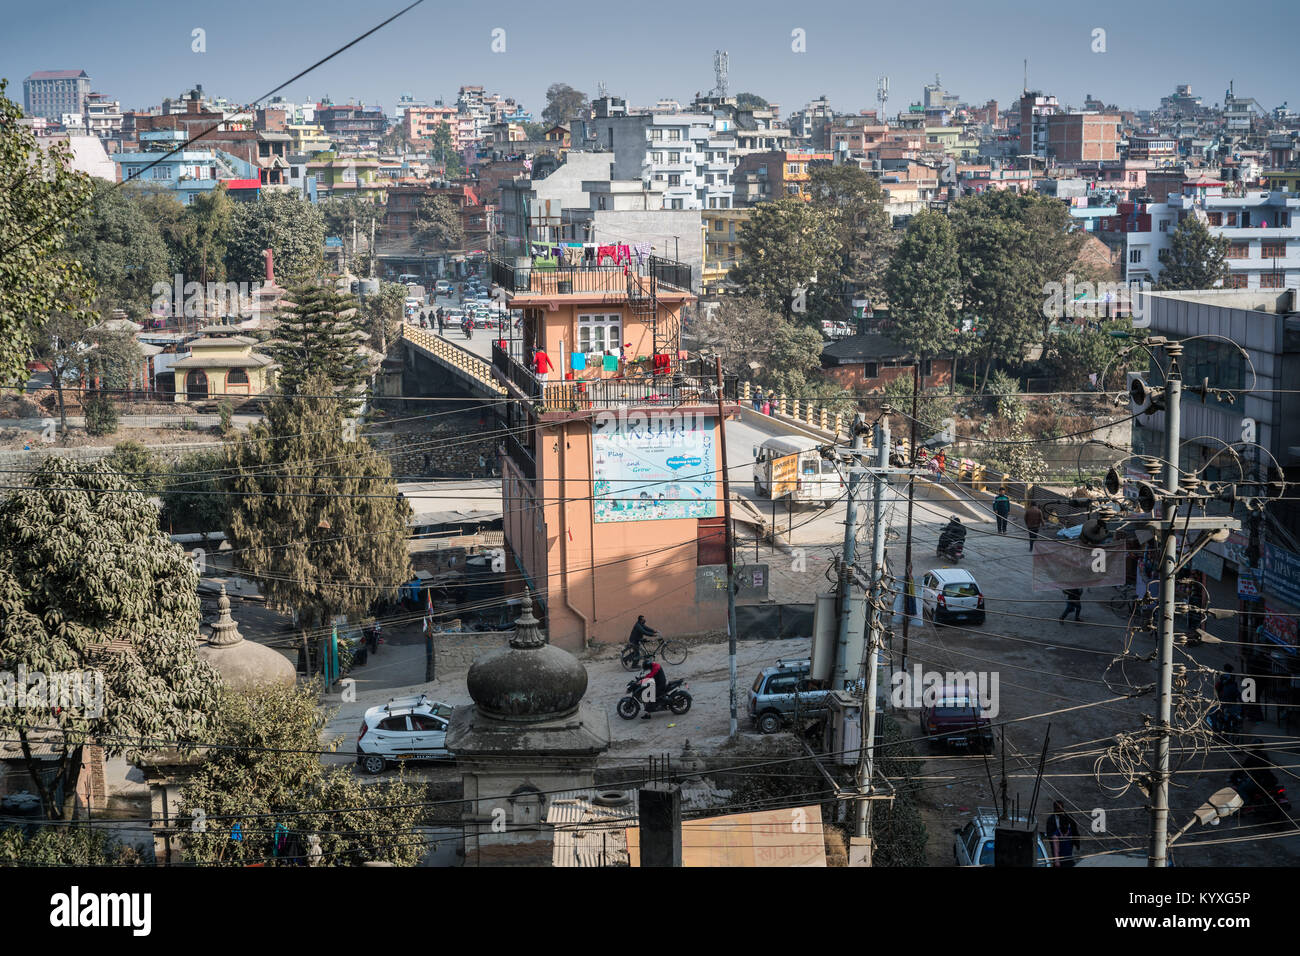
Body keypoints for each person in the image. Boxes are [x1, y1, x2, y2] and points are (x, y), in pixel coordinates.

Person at [1045, 801, 1079, 867]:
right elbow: (1049, 834)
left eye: (1060, 808)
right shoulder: (1051, 820)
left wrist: (1077, 843)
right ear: (1054, 809)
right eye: (1057, 808)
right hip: (1057, 844)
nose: (1059, 810)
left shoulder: (1068, 817)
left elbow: (1074, 829)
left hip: (1067, 845)